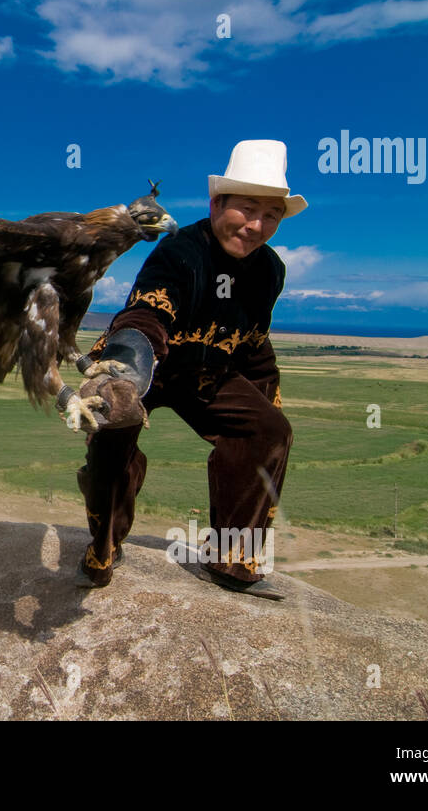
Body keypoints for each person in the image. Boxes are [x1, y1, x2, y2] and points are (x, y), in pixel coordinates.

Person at [68, 139, 307, 592]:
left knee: (269, 432)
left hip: (209, 373)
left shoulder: (270, 270)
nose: (256, 225)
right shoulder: (180, 251)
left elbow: (254, 343)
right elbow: (146, 315)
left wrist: (270, 403)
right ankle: (104, 544)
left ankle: (233, 558)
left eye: (271, 214)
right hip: (145, 363)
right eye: (247, 207)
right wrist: (125, 371)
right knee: (113, 427)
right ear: (217, 203)